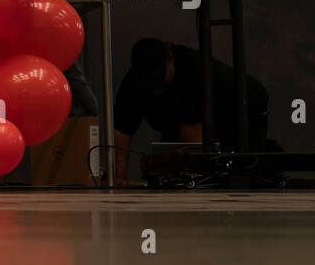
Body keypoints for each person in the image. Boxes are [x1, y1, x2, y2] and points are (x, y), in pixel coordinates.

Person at [112, 37, 271, 184]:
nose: (156, 90)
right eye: (149, 83)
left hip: (244, 108)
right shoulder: (132, 84)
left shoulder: (192, 70)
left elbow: (192, 139)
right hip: (193, 121)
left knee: (241, 172)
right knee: (167, 164)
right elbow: (121, 131)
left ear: (170, 60)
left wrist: (189, 179)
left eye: (159, 80)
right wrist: (120, 178)